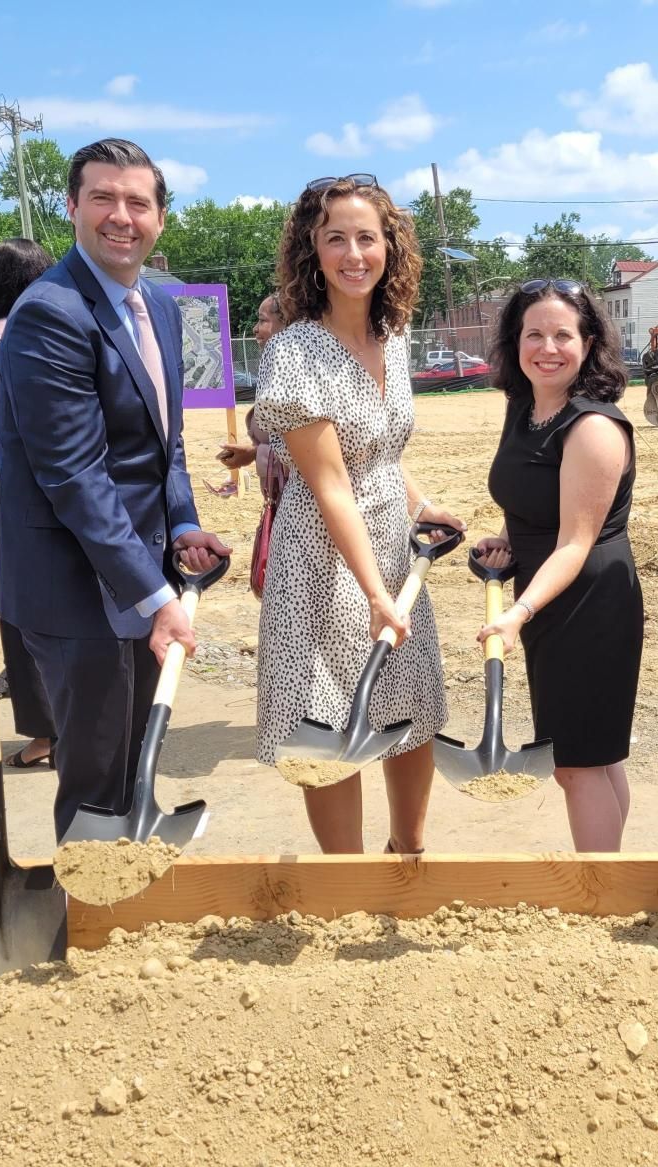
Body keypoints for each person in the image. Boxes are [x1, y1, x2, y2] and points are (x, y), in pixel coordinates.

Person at [0, 138, 231, 840]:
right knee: (96, 778)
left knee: (132, 759)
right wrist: (156, 596)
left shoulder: (157, 306)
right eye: (103, 198)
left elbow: (164, 441)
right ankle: (92, 891)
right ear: (72, 207)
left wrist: (181, 523)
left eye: (137, 202)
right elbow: (74, 475)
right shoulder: (50, 312)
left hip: (137, 566)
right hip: (71, 584)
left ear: (160, 217)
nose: (121, 216)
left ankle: (130, 877)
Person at [252, 174, 462, 853]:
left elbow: (381, 453)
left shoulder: (391, 336)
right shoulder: (293, 352)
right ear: (312, 250)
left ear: (388, 247)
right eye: (334, 238)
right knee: (325, 718)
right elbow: (331, 484)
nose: (353, 254)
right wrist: (375, 593)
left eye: (366, 237)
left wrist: (422, 506)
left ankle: (408, 857)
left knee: (410, 703)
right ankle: (347, 881)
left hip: (393, 547)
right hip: (321, 561)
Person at [473, 279, 642, 850]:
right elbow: (534, 495)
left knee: (575, 763)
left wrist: (516, 613)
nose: (547, 348)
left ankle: (599, 885)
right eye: (534, 334)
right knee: (594, 756)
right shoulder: (525, 406)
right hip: (547, 593)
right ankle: (610, 874)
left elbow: (575, 540)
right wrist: (507, 537)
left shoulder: (592, 427)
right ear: (514, 341)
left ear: (588, 343)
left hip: (589, 602)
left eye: (563, 335)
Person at [0, 237, 56, 770]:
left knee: (21, 607)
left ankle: (45, 734)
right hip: (88, 480)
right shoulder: (76, 324)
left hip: (20, 486)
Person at [219, 292, 286, 495]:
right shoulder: (276, 371)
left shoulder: (298, 380)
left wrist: (255, 454)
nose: (255, 328)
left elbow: (304, 456)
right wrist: (253, 453)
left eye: (262, 320)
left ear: (287, 324)